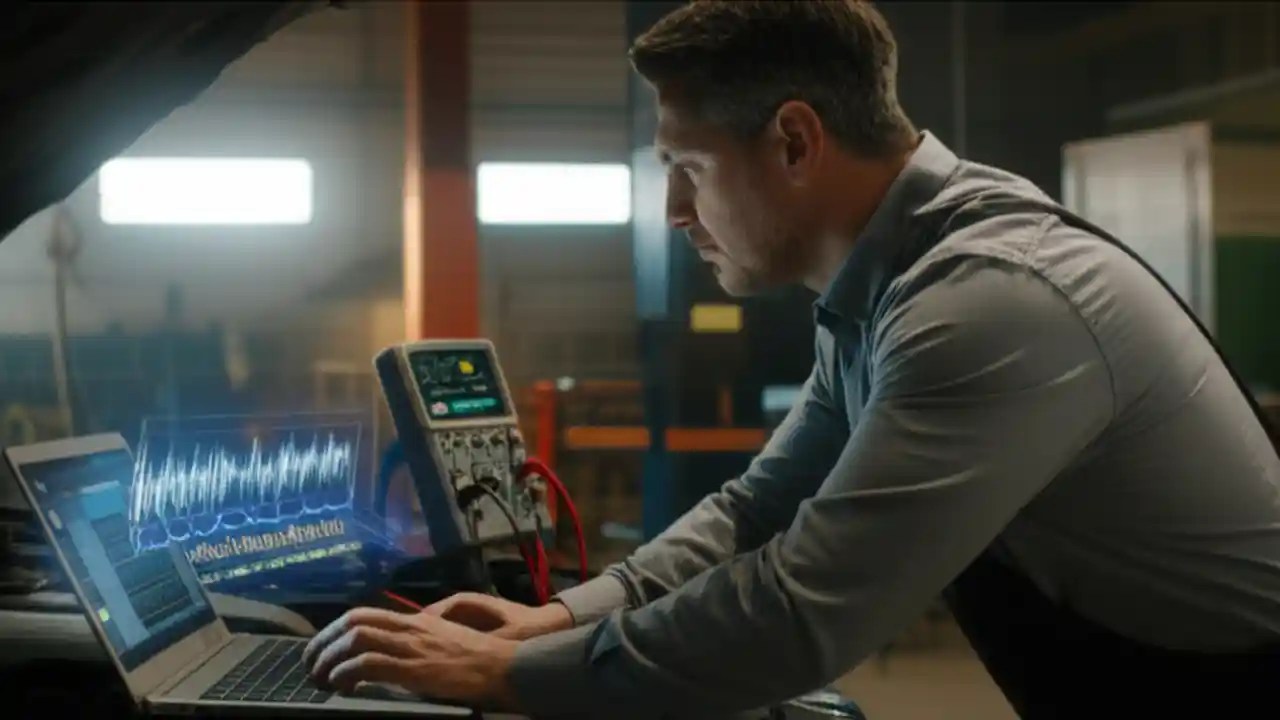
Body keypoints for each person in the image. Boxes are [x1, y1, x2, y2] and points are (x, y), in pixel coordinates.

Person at [303, 1, 1280, 717]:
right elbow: (758, 510)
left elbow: (803, 609)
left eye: (687, 168)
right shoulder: (886, 286)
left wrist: (511, 676)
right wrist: (555, 622)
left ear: (795, 142)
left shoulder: (988, 303)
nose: (674, 213)